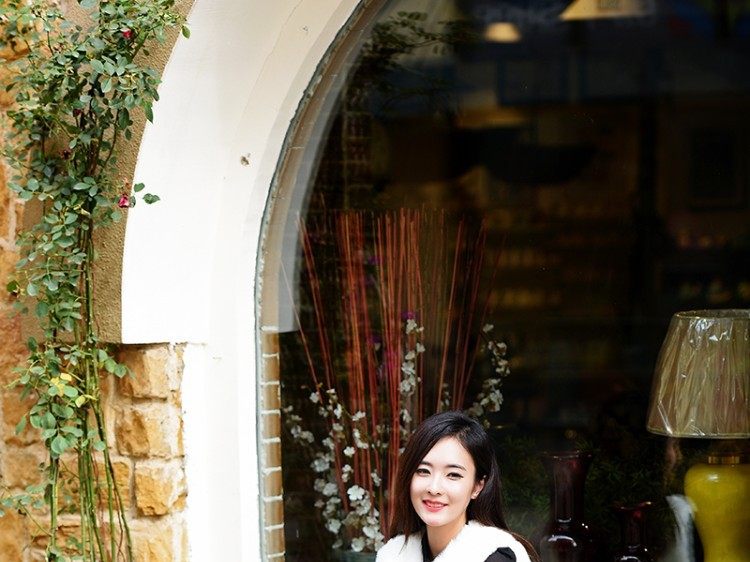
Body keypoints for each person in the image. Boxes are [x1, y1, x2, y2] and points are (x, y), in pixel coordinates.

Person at [376, 411, 539, 562]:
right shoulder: (394, 554)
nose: (434, 488)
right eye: (423, 471)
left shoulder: (494, 556)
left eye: (453, 475)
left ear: (477, 486)